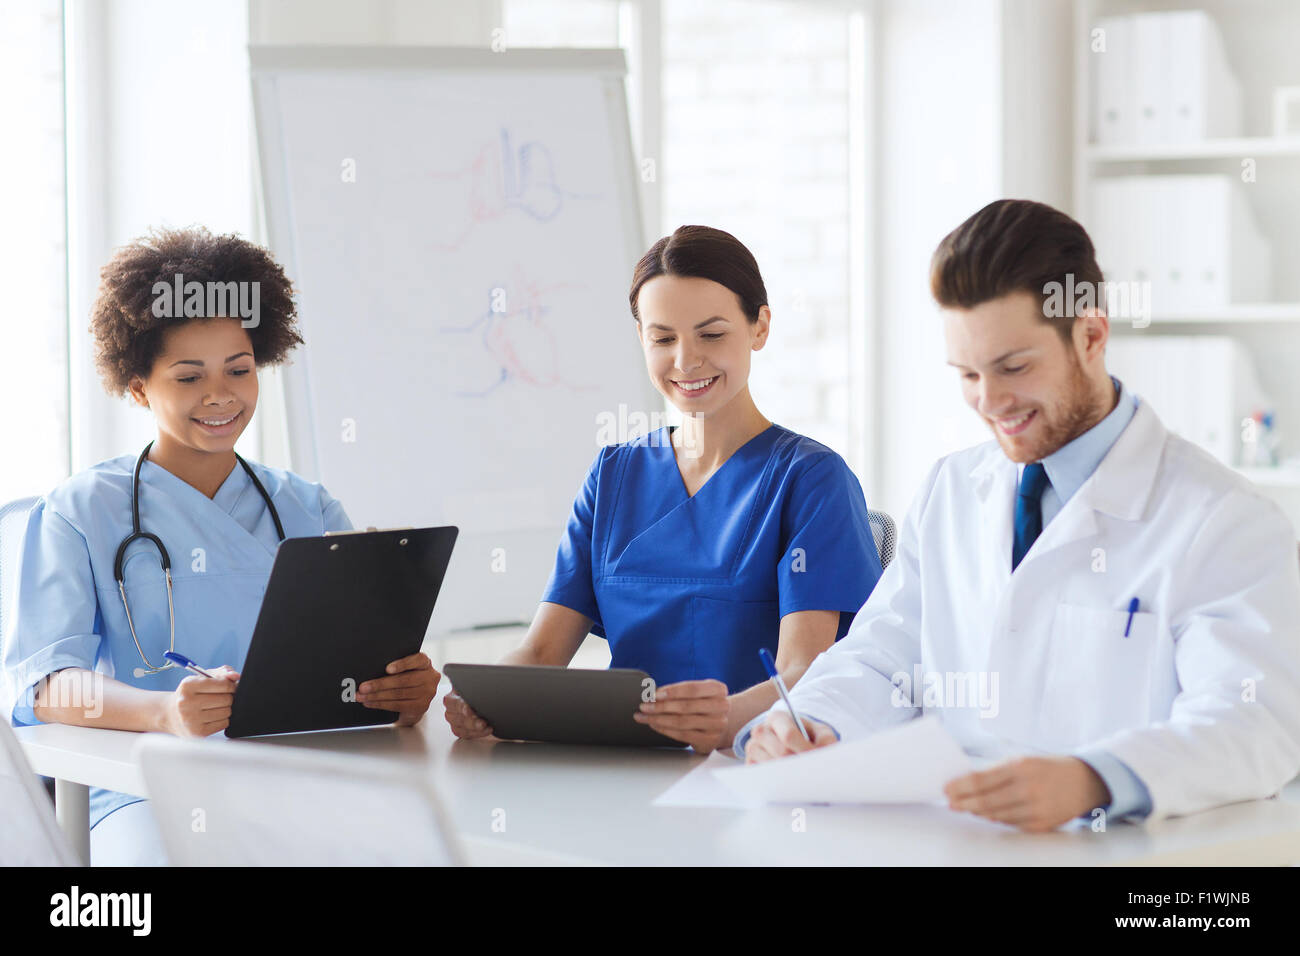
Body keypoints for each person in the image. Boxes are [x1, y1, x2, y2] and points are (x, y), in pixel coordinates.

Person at [738, 199, 1300, 830]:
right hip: (955, 841)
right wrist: (807, 721)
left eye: (1013, 367)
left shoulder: (1223, 519)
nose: (990, 400)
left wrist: (1095, 777)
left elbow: (1255, 722)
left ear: (1091, 335)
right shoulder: (952, 489)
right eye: (967, 373)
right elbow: (881, 657)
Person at [0, 227, 440, 864]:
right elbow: (45, 687)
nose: (220, 395)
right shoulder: (79, 511)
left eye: (238, 370)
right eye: (188, 377)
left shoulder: (308, 507)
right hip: (146, 785)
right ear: (137, 387)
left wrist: (402, 691)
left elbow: (361, 667)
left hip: (309, 779)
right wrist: (163, 713)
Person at [444, 225, 884, 751]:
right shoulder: (613, 475)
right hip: (623, 768)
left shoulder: (811, 480)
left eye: (712, 334)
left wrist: (725, 721)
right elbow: (540, 653)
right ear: (641, 339)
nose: (686, 360)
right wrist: (486, 700)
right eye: (663, 338)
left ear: (759, 326)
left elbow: (805, 670)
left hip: (749, 762)